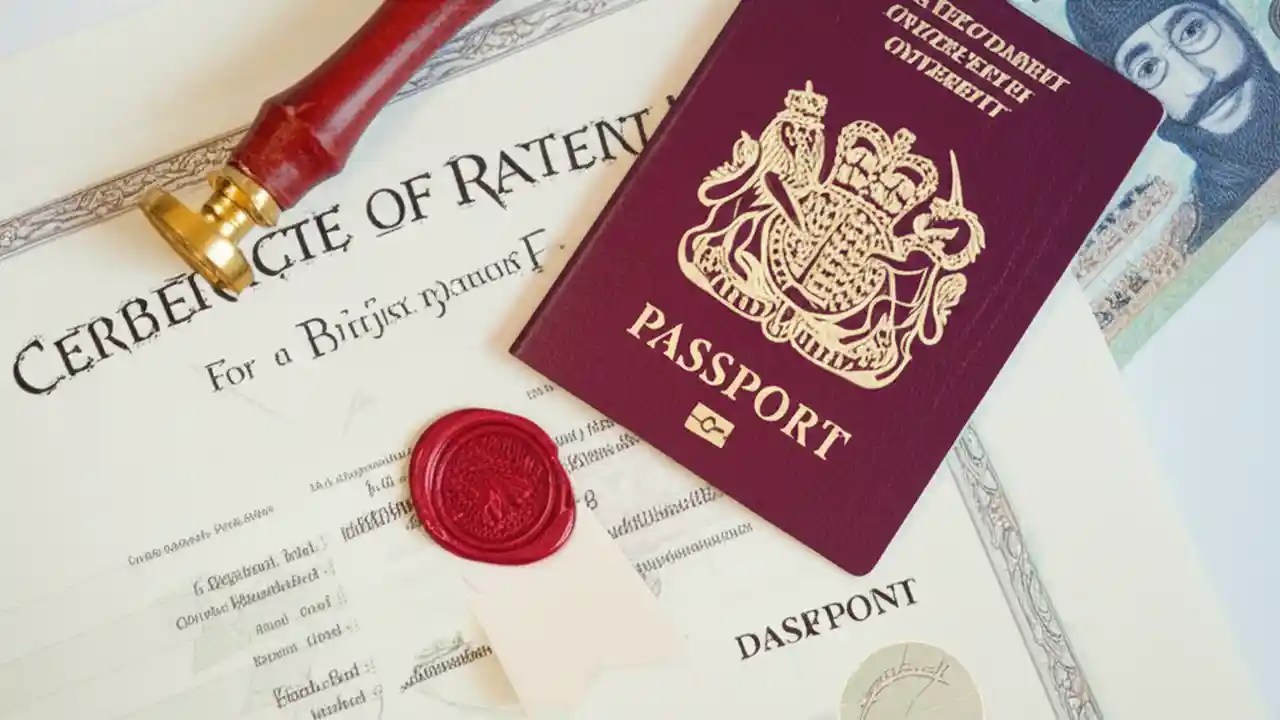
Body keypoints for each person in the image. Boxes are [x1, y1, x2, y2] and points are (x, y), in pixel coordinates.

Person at [1067, 0, 1280, 250]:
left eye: (1191, 31)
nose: (1197, 82)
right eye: (1148, 69)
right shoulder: (1206, 239)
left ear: (1232, 15)